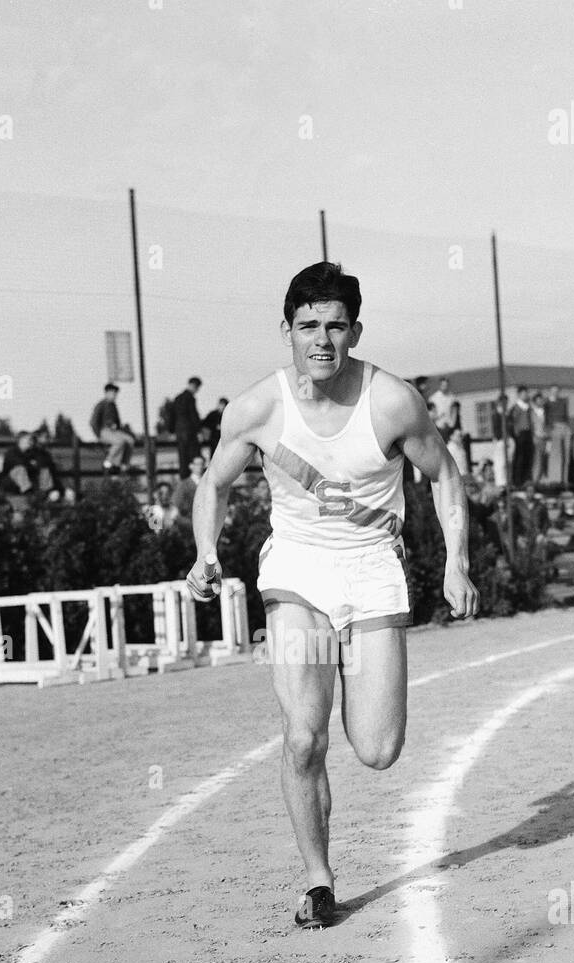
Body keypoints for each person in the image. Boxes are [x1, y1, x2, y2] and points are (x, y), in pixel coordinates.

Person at [186, 261, 478, 929]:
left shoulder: (391, 401)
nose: (322, 340)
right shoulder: (257, 407)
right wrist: (205, 551)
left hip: (372, 570)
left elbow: (444, 476)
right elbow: (215, 485)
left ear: (355, 331)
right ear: (286, 330)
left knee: (376, 750)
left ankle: (356, 692)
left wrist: (454, 563)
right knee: (302, 739)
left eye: (335, 326)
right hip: (296, 572)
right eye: (308, 326)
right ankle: (317, 881)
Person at [90, 383, 134, 472]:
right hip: (104, 431)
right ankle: (108, 462)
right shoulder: (101, 405)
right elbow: (93, 422)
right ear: (107, 393)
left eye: (115, 393)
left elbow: (118, 422)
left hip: (114, 431)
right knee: (119, 442)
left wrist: (118, 428)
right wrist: (98, 435)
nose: (115, 395)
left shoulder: (113, 406)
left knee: (130, 440)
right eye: (113, 393)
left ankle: (123, 464)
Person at [172, 376, 203, 478]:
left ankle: (183, 480)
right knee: (194, 458)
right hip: (190, 432)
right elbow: (193, 416)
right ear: (195, 386)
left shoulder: (178, 398)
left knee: (183, 459)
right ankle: (193, 482)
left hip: (179, 432)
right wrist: (198, 431)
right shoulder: (190, 398)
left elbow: (171, 416)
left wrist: (172, 430)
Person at [508, 385, 535, 487]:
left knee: (528, 457)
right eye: (524, 393)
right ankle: (517, 481)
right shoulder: (516, 408)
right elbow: (513, 422)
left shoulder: (527, 407)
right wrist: (516, 434)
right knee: (519, 458)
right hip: (520, 435)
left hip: (528, 433)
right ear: (519, 395)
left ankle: (525, 479)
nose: (526, 395)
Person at [172, 455, 205, 528]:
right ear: (191, 466)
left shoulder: (208, 484)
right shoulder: (183, 485)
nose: (200, 467)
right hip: (189, 522)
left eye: (202, 464)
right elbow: (176, 503)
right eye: (197, 464)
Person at [530, 391, 549, 483]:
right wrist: (533, 436)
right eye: (538, 400)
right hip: (536, 438)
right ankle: (536, 478)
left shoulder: (545, 411)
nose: (540, 402)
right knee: (537, 458)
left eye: (541, 400)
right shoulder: (532, 413)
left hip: (545, 438)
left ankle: (543, 477)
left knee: (544, 458)